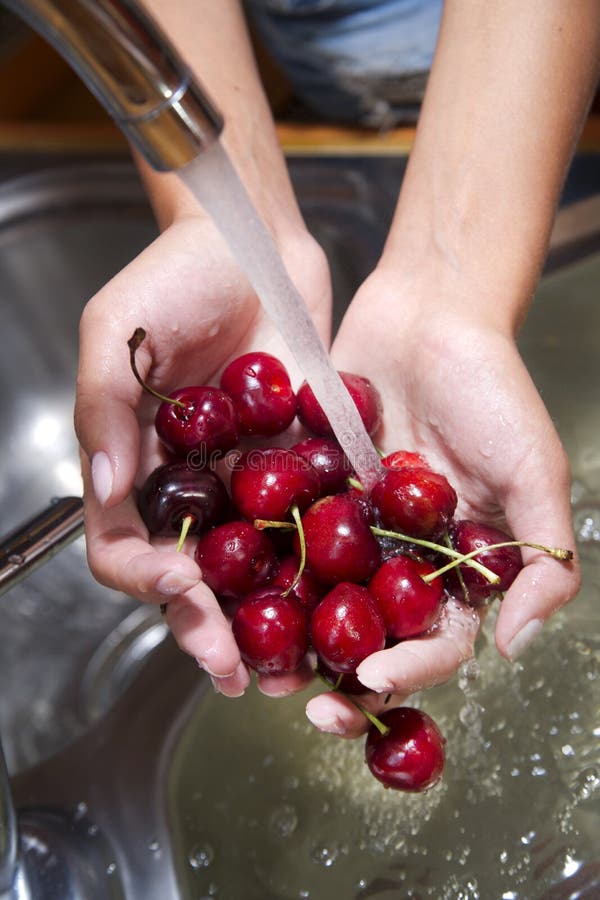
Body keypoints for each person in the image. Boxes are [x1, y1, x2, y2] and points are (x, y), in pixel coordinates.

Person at [74, 0, 600, 739]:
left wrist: (456, 286)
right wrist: (221, 223)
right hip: (324, 71)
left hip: (530, 72)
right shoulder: (294, 504)